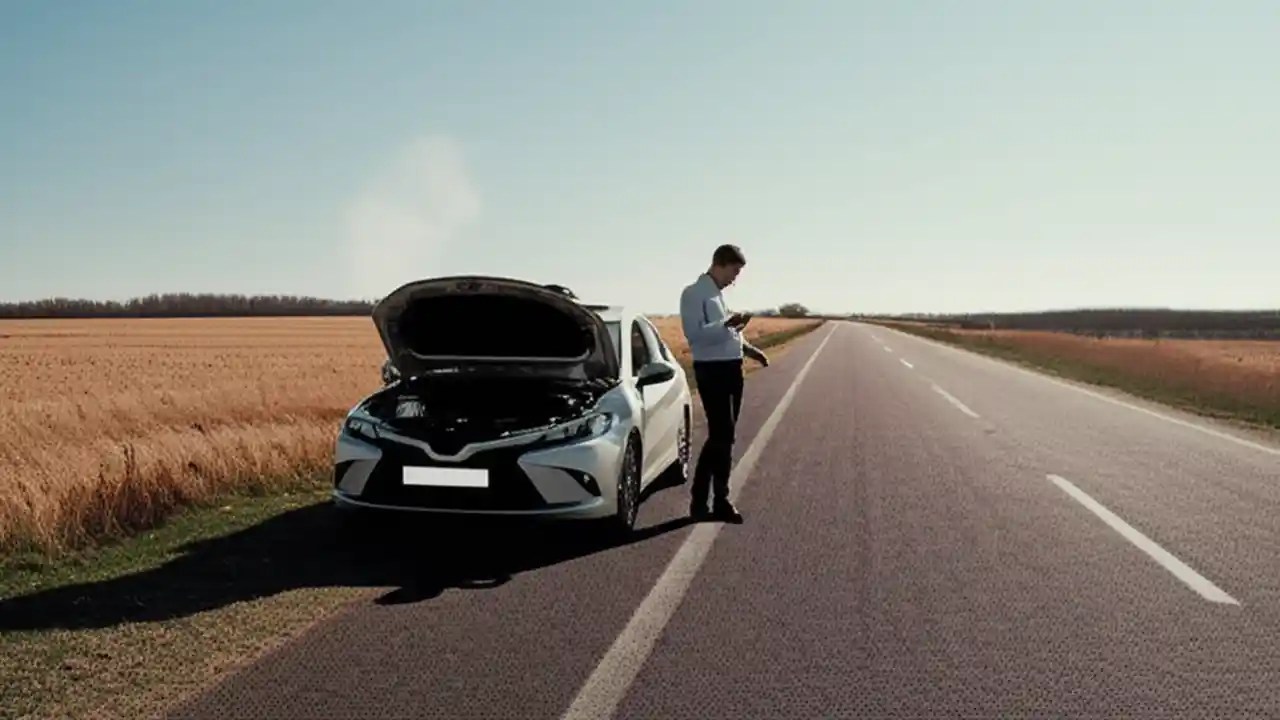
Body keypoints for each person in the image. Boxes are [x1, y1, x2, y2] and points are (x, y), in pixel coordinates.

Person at [678, 243, 769, 523]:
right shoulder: (694, 293)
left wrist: (750, 350)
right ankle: (715, 500)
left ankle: (709, 500)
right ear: (719, 264)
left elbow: (729, 334)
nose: (735, 279)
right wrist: (727, 325)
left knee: (723, 437)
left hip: (732, 369)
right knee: (722, 436)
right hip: (711, 370)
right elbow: (694, 335)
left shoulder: (717, 294)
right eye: (734, 271)